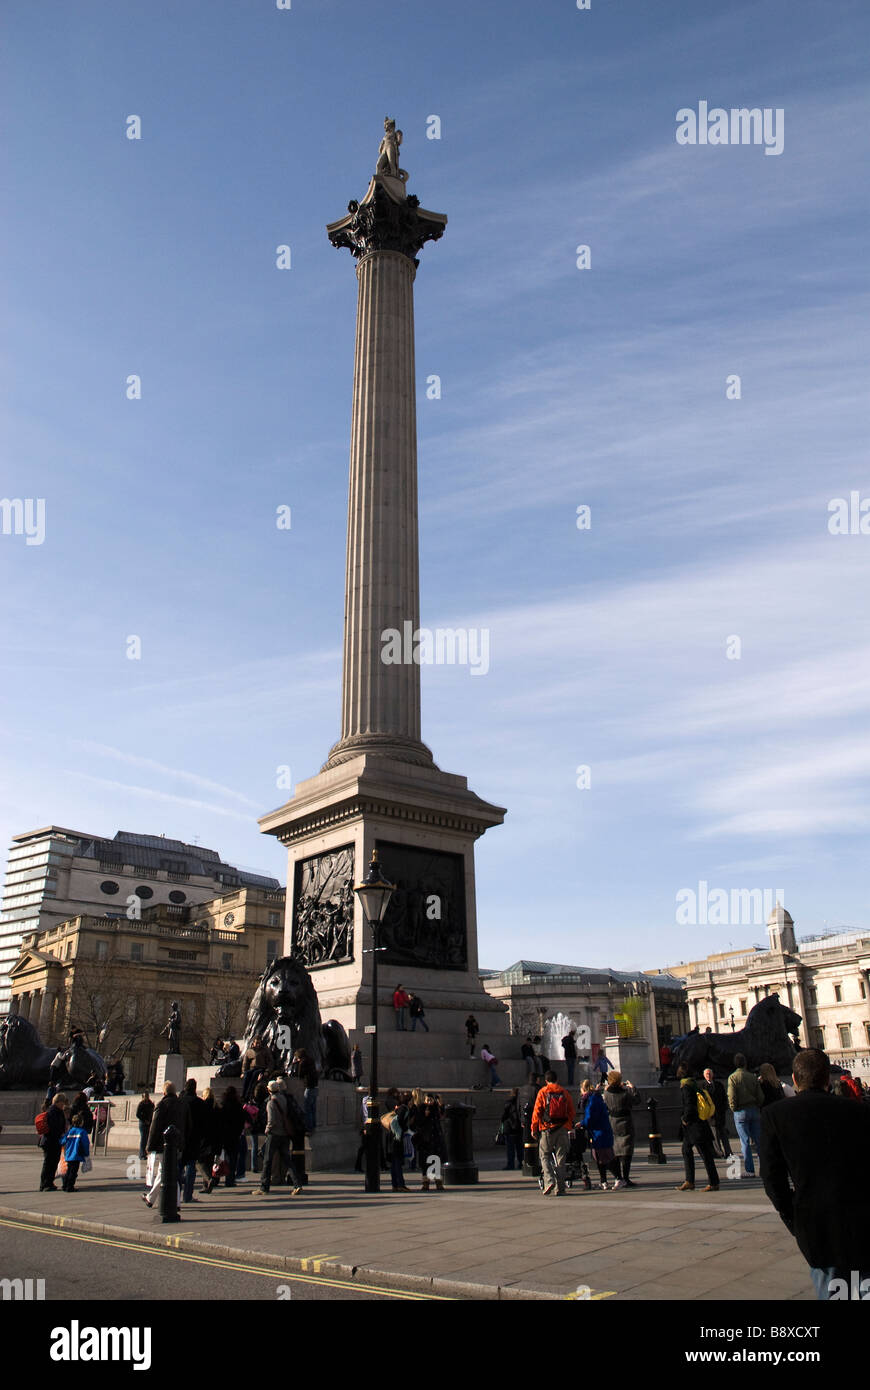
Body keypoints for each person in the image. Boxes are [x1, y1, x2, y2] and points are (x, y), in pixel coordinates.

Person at [761, 1048, 870, 1300]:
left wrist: (795, 1219)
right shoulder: (860, 1112)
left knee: (834, 1292)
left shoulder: (775, 1115)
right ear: (827, 1079)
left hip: (817, 1229)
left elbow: (772, 1180)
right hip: (864, 1224)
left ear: (795, 1080)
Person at [143, 1081, 189, 1209]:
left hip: (164, 1144)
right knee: (169, 1171)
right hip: (178, 1143)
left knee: (167, 1172)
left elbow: (155, 1127)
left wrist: (149, 1146)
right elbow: (186, 1124)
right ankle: (154, 1199)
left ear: (164, 1092)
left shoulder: (162, 1105)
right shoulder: (182, 1105)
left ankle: (157, 1200)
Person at [252, 1080, 302, 1196]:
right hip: (284, 1134)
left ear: (269, 1090)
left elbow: (271, 1120)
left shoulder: (271, 1102)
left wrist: (267, 1129)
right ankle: (297, 1184)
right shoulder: (284, 1099)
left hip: (274, 1134)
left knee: (267, 1161)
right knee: (287, 1160)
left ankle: (264, 1187)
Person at [676, 1065, 719, 1192]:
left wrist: (685, 1119)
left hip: (694, 1126)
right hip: (697, 1125)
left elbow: (689, 1105)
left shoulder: (686, 1087)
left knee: (705, 1154)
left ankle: (713, 1182)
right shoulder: (693, 1084)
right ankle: (689, 1181)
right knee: (686, 1150)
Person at [531, 1071, 575, 1195]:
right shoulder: (565, 1092)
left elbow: (537, 1112)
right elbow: (571, 1111)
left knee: (544, 1155)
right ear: (557, 1079)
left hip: (547, 1129)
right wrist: (567, 1125)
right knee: (561, 1158)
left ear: (546, 1081)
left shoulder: (543, 1092)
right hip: (562, 1129)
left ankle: (549, 1180)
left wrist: (534, 1128)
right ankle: (560, 1188)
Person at [727, 1052, 764, 1176]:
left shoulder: (733, 1077)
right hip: (754, 1109)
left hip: (740, 1111)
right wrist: (757, 1104)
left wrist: (734, 1108)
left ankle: (750, 1170)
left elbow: (731, 1096)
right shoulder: (752, 1077)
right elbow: (760, 1096)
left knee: (745, 1141)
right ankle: (763, 1168)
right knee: (759, 1141)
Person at [580, 1079, 620, 1189]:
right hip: (598, 1133)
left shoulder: (592, 1100)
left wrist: (582, 1124)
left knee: (605, 1158)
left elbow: (590, 1117)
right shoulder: (594, 1098)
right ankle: (604, 1181)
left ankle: (619, 1178)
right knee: (599, 1158)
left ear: (584, 1090)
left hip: (600, 1133)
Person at [603, 1071, 641, 1186]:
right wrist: (633, 1088)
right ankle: (626, 1177)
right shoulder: (625, 1093)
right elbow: (637, 1101)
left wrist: (606, 1088)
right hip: (625, 1122)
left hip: (612, 1122)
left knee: (615, 1150)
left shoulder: (607, 1094)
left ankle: (618, 1177)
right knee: (626, 1151)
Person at [180, 1078, 207, 1203]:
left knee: (179, 1167)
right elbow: (203, 1123)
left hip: (180, 1138)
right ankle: (188, 1195)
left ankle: (176, 1194)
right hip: (194, 1138)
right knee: (191, 1167)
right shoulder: (199, 1103)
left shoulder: (180, 1101)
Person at [39, 1093, 69, 1191]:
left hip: (53, 1141)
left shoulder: (57, 1111)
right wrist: (61, 1134)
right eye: (62, 1102)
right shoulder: (53, 1112)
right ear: (58, 1102)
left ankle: (49, 1182)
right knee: (49, 1163)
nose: (63, 1105)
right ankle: (44, 1184)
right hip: (50, 1141)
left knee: (53, 1163)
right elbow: (54, 1127)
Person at [216, 1086, 245, 1187]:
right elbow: (241, 1121)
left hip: (224, 1135)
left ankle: (216, 1177)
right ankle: (230, 1179)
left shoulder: (223, 1106)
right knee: (232, 1159)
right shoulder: (238, 1106)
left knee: (222, 1158)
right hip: (234, 1135)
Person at [702, 1068, 731, 1157]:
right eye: (707, 1074)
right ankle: (719, 1152)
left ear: (712, 1075)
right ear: (704, 1076)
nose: (708, 1075)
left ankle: (728, 1152)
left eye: (709, 1074)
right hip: (711, 1115)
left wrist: (724, 1108)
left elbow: (724, 1097)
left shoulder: (719, 1085)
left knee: (723, 1134)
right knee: (715, 1136)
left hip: (720, 1113)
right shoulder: (703, 1087)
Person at [60, 1116, 90, 1192]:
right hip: (77, 1154)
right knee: (73, 1172)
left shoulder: (70, 1131)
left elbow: (62, 1141)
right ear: (81, 1122)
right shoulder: (82, 1132)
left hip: (69, 1154)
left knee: (69, 1170)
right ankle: (70, 1186)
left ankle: (65, 1185)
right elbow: (85, 1144)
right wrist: (86, 1153)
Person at [293, 1048, 319, 1131]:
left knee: (307, 1109)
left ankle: (309, 1128)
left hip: (309, 1087)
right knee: (313, 1108)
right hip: (315, 1087)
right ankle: (314, 1126)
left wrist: (296, 1064)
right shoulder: (311, 1060)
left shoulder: (303, 1062)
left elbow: (300, 1075)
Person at [500, 1089, 524, 1171]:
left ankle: (510, 1164)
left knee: (510, 1148)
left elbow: (504, 1116)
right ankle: (521, 1163)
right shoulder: (521, 1103)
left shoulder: (508, 1103)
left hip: (509, 1128)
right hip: (519, 1128)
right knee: (520, 1147)